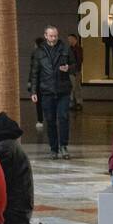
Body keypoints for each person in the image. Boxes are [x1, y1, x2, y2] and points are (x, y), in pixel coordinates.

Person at [31, 25, 75, 159]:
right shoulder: (39, 52)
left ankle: (63, 146)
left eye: (55, 35)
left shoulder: (65, 48)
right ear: (45, 36)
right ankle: (53, 148)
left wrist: (69, 68)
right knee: (50, 120)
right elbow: (35, 73)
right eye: (51, 36)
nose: (54, 38)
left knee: (63, 117)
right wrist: (33, 91)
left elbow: (76, 66)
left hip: (63, 90)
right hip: (46, 91)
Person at [27, 38, 45, 130]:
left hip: (38, 81)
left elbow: (33, 69)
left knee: (39, 102)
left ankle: (40, 120)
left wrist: (30, 81)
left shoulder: (35, 53)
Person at [67, 32, 84, 111]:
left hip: (76, 71)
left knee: (76, 87)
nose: (69, 41)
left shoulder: (78, 49)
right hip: (71, 71)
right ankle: (74, 102)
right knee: (73, 87)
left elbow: (79, 60)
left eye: (70, 39)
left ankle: (77, 102)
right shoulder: (69, 49)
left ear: (75, 40)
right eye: (68, 39)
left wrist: (76, 69)